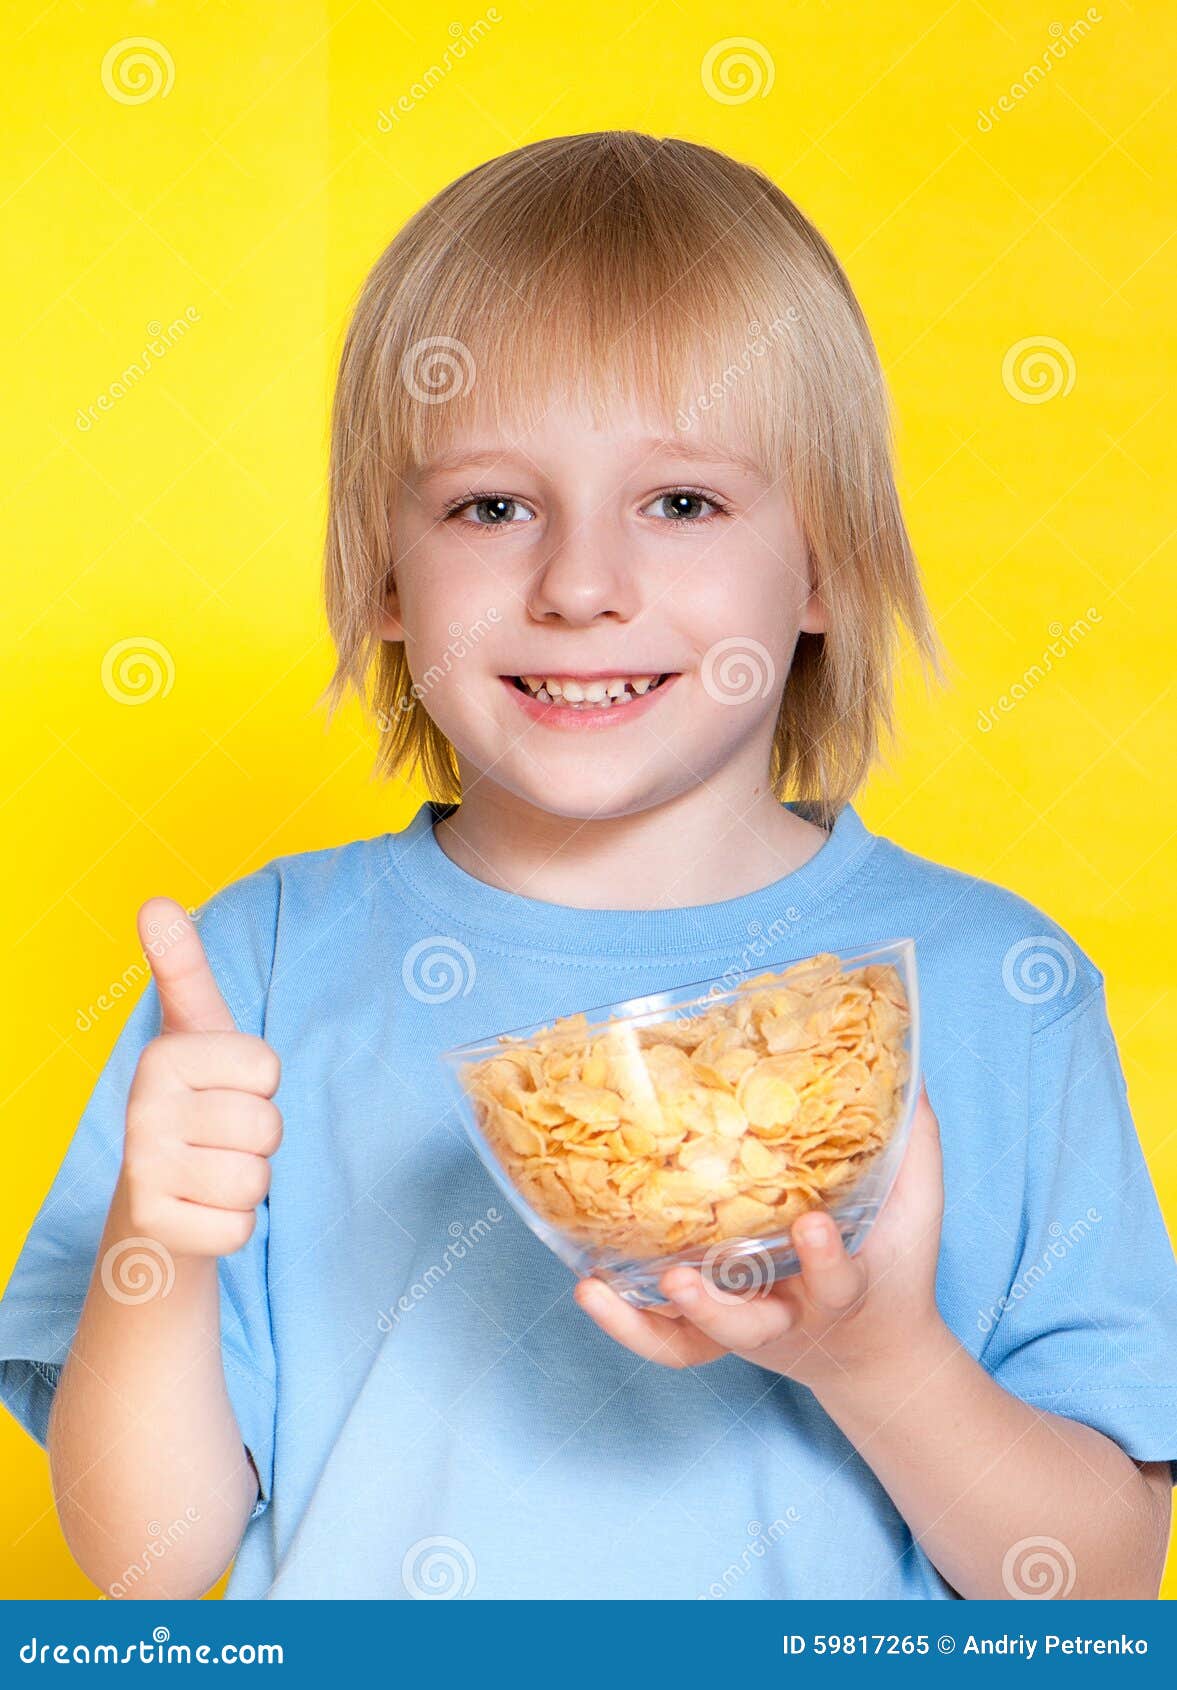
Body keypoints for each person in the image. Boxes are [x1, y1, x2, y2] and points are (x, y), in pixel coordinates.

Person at [1, 131, 1174, 1602]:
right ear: (382, 570)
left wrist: (883, 1359)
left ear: (820, 563)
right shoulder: (257, 976)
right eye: (491, 506)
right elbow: (148, 1567)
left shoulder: (999, 988)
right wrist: (156, 1249)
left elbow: (1097, 1581)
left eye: (680, 502)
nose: (576, 585)